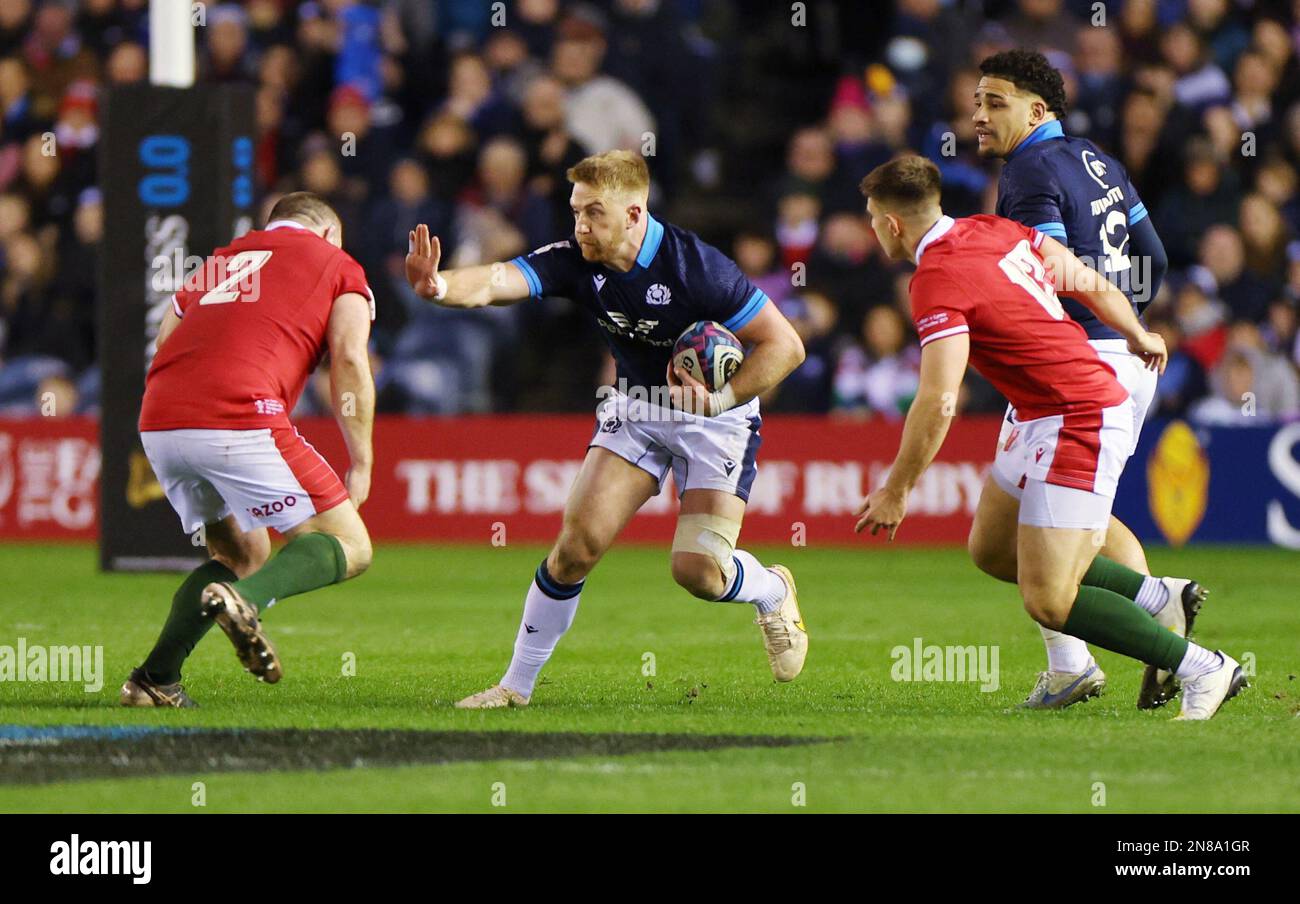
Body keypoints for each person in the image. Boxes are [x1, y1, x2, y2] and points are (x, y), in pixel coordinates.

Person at [404, 150, 808, 708]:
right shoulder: (578, 259)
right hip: (639, 407)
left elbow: (786, 345)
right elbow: (500, 280)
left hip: (717, 419)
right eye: (576, 211)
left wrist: (720, 398)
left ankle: (772, 589)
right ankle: (515, 687)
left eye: (594, 212)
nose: (581, 226)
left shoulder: (696, 268)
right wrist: (439, 287)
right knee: (575, 549)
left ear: (634, 214)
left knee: (698, 572)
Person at [854, 156, 1244, 721]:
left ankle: (1203, 667)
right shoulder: (995, 229)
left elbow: (939, 398)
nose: (872, 228)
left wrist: (897, 488)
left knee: (1049, 599)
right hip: (1039, 412)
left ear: (892, 224)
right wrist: (1135, 330)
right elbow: (1085, 279)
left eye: (872, 217)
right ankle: (1158, 596)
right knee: (993, 549)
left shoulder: (934, 279)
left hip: (1077, 416)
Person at [970, 49, 1200, 710]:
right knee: (996, 544)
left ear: (1036, 111)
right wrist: (1128, 326)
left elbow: (1051, 274)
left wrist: (1091, 336)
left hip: (1074, 375)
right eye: (978, 102)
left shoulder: (1027, 170)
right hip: (1111, 362)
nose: (979, 116)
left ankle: (1160, 629)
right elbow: (1153, 257)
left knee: (1058, 547)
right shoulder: (1099, 159)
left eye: (995, 103)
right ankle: (1090, 649)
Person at [121, 192, 375, 707]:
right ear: (329, 233)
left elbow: (165, 340)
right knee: (349, 545)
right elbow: (349, 358)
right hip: (240, 414)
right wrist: (362, 459)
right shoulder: (338, 264)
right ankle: (246, 604)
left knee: (241, 553)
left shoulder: (221, 261)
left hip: (161, 418)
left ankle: (152, 682)